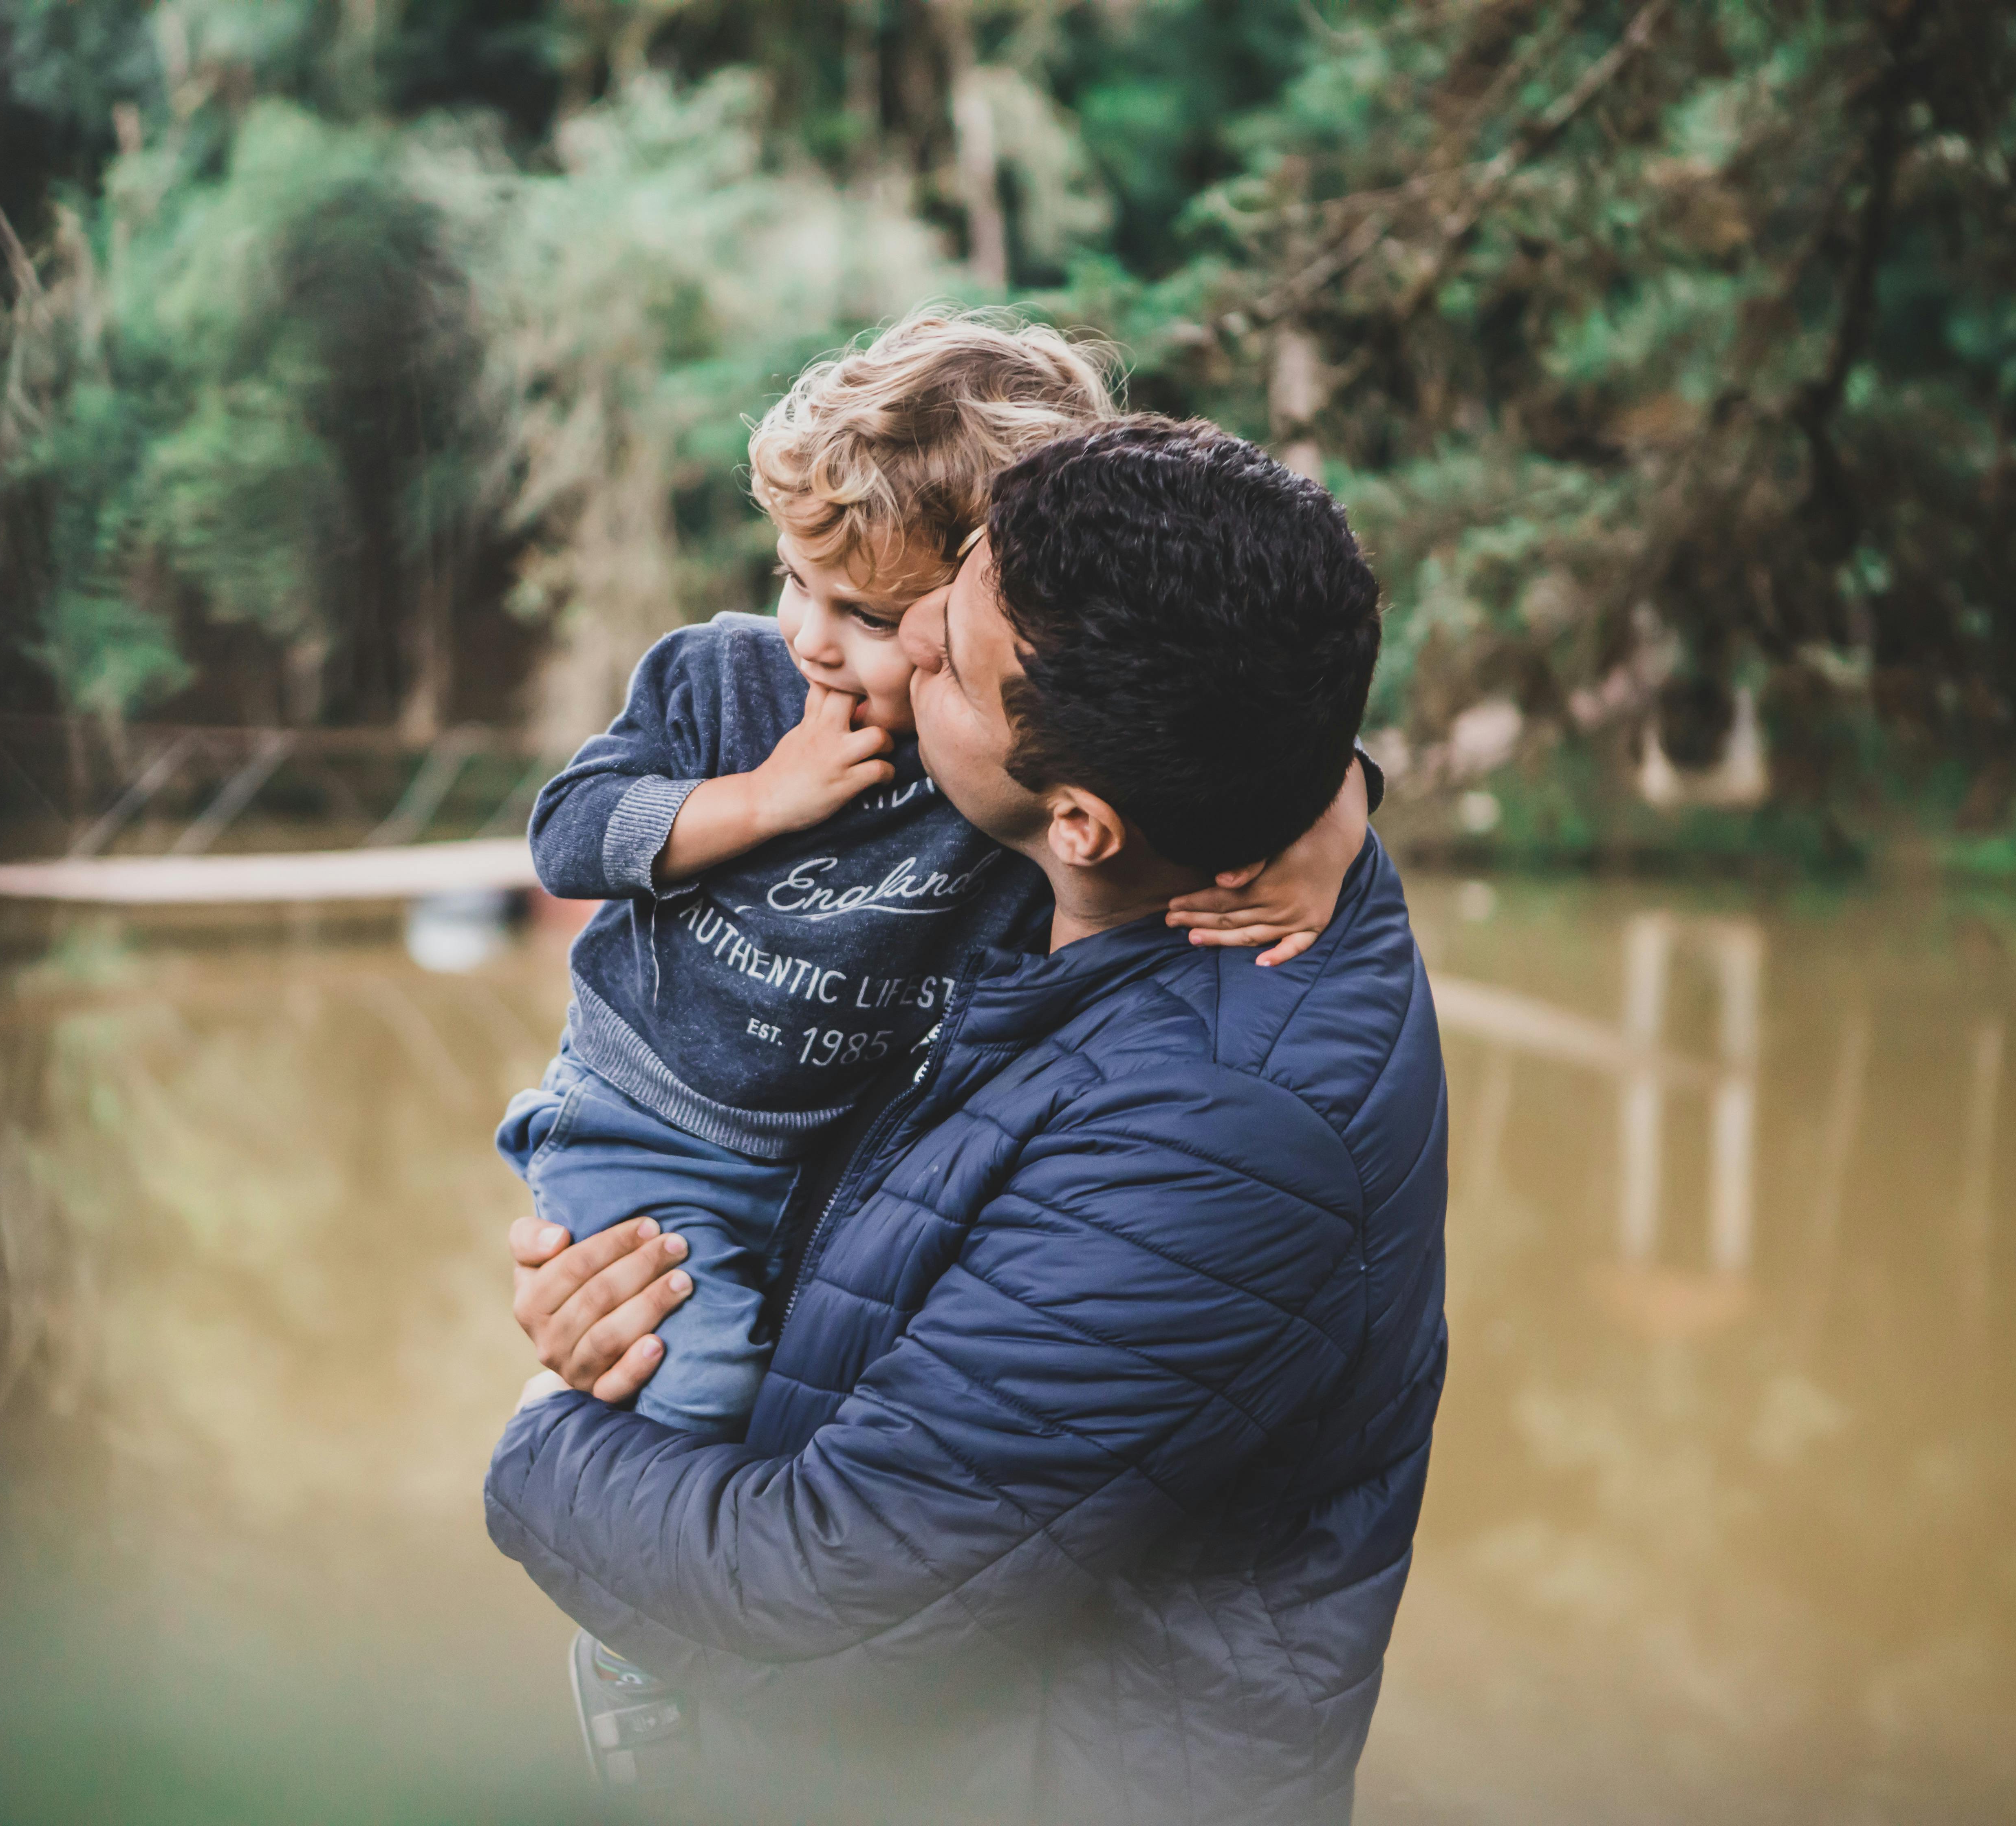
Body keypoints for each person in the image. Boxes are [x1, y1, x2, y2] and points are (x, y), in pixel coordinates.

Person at [489, 417, 1449, 1823]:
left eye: (943, 654)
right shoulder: (1188, 835)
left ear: (1080, 820)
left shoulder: (1216, 1139)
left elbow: (831, 1615)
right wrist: (638, 1311)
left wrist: (550, 1440)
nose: (915, 630)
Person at [502, 308, 1375, 1440]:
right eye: (794, 581)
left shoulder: (1016, 754)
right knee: (698, 1384)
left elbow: (1242, 730)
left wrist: (1330, 827)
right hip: (653, 1122)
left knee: (818, 1402)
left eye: (870, 615)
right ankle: (634, 1605)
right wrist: (761, 799)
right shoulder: (726, 681)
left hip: (838, 1146)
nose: (813, 638)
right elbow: (567, 833)